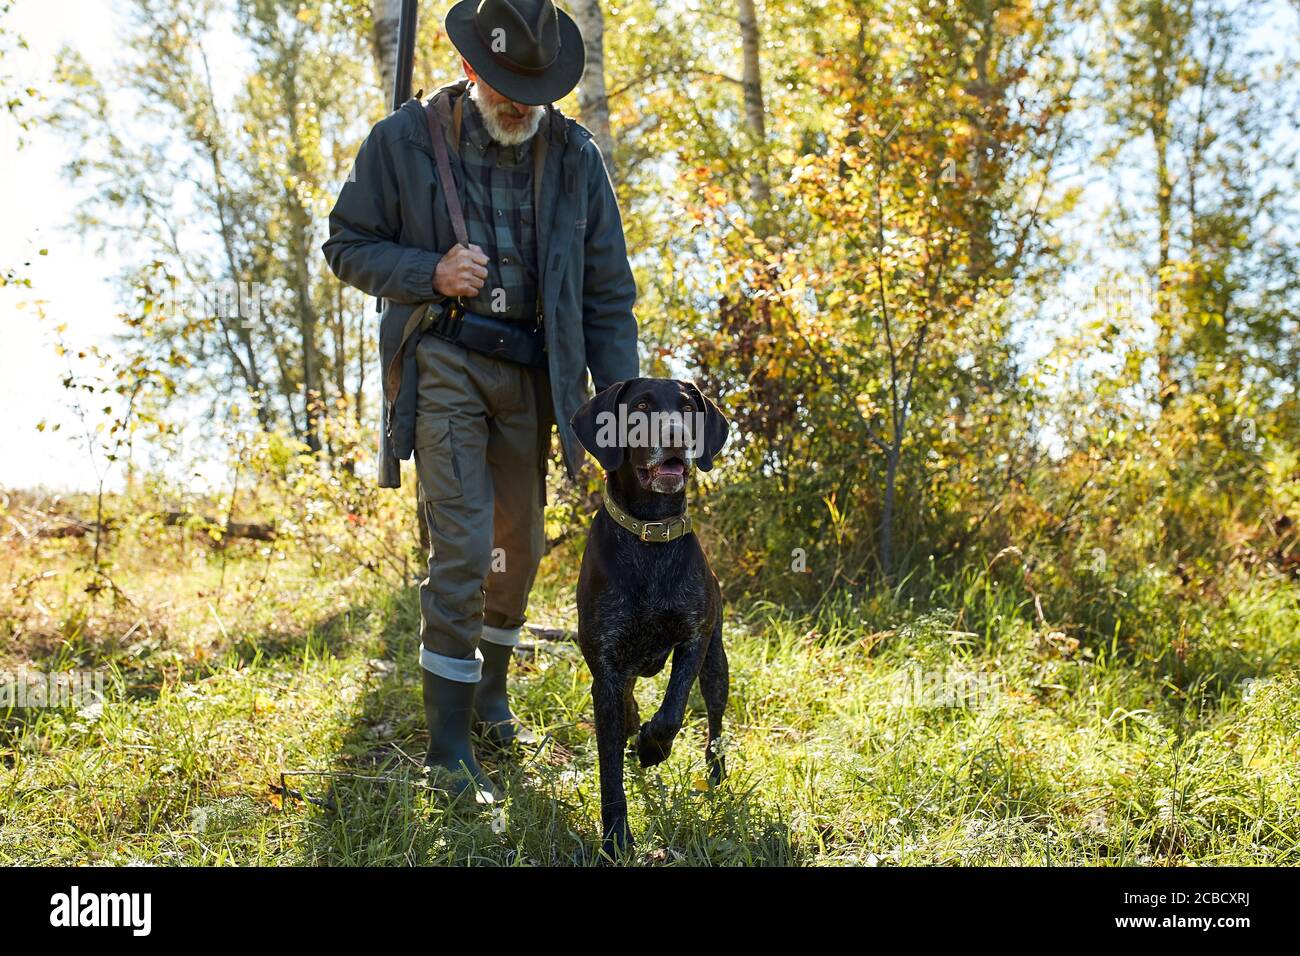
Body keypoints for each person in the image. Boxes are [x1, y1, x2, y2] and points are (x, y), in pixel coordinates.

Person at [322, 0, 638, 799]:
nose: (517, 103)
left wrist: (622, 407)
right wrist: (428, 271)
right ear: (470, 68)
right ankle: (449, 746)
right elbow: (346, 245)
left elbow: (607, 297)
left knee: (517, 551)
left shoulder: (575, 156)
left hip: (534, 372)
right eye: (503, 84)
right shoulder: (403, 139)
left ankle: (491, 691)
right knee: (463, 548)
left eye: (532, 89)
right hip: (445, 361)